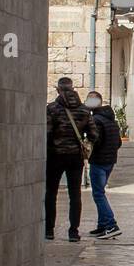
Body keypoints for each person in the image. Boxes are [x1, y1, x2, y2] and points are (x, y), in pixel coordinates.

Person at [45, 77, 97, 242]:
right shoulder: (83, 110)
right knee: (75, 194)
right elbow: (94, 134)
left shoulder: (52, 109)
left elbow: (46, 133)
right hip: (75, 157)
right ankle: (73, 231)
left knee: (51, 193)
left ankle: (49, 230)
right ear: (72, 88)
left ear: (58, 89)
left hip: (55, 156)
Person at [84, 91, 122, 238]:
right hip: (110, 161)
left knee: (98, 194)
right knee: (100, 192)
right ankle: (102, 225)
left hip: (99, 161)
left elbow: (96, 140)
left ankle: (111, 224)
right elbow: (118, 142)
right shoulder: (111, 118)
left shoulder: (96, 120)